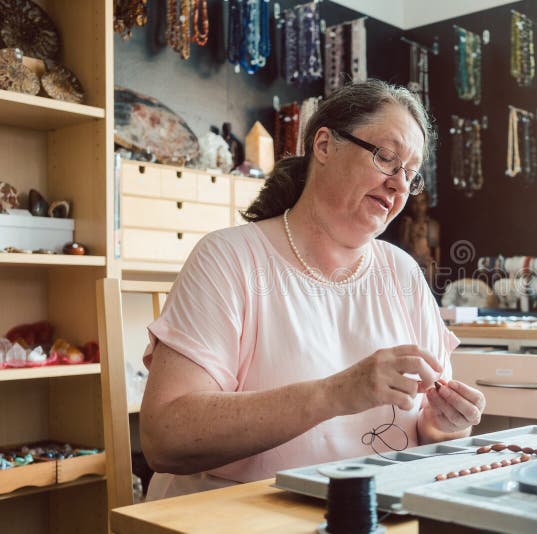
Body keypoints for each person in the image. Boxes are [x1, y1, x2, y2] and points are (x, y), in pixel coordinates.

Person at [140, 79, 486, 499]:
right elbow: (166, 438)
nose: (399, 185)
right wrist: (335, 394)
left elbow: (432, 433)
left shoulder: (403, 273)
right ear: (324, 145)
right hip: (242, 517)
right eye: (386, 158)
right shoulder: (228, 258)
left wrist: (445, 423)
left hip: (369, 514)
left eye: (410, 175)